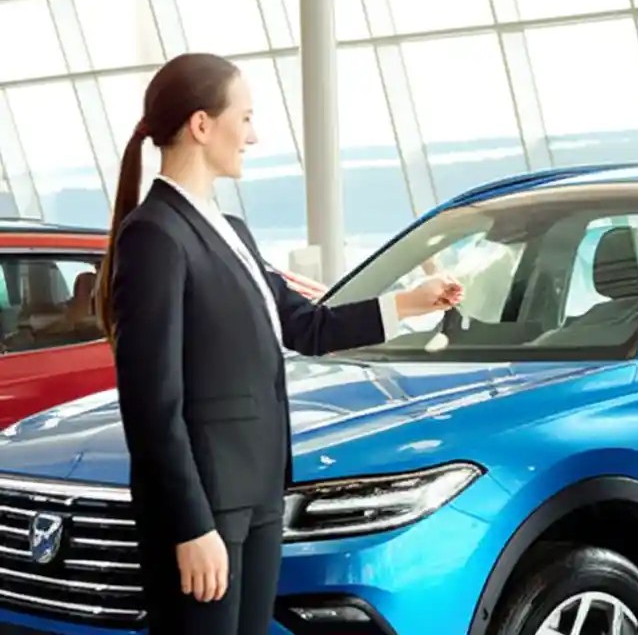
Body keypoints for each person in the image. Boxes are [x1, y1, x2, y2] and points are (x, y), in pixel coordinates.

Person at [98, 53, 464, 635]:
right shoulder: (156, 234)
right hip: (208, 506)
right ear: (201, 125)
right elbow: (150, 405)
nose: (253, 134)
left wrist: (407, 304)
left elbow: (304, 326)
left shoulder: (230, 230)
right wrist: (191, 527)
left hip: (261, 489)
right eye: (244, 118)